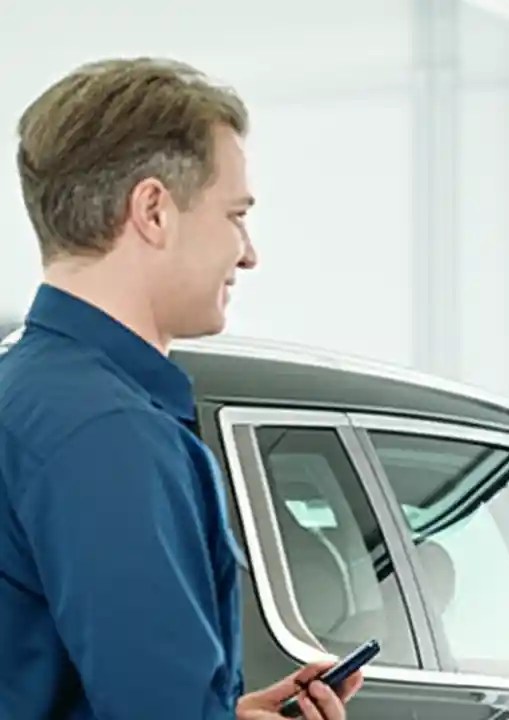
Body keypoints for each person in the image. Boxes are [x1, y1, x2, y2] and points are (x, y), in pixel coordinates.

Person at [0, 58, 363, 719]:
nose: (247, 252)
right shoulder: (108, 434)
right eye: (234, 215)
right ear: (154, 211)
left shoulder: (24, 397)